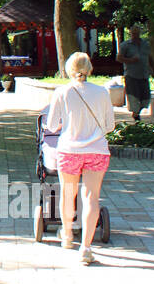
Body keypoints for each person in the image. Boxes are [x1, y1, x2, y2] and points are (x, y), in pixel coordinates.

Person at [45, 52, 115, 266]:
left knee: (68, 194)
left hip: (69, 150)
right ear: (90, 68)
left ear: (68, 69)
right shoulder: (102, 92)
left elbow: (51, 126)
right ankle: (85, 248)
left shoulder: (62, 91)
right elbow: (110, 125)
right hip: (96, 151)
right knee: (91, 198)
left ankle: (67, 235)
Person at [117, 25, 151, 121]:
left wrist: (152, 68)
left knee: (145, 98)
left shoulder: (145, 44)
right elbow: (118, 58)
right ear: (130, 33)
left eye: (137, 33)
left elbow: (149, 56)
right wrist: (131, 60)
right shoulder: (125, 45)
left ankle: (137, 113)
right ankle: (136, 116)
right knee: (134, 97)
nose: (135, 35)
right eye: (133, 33)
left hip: (144, 74)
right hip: (131, 75)